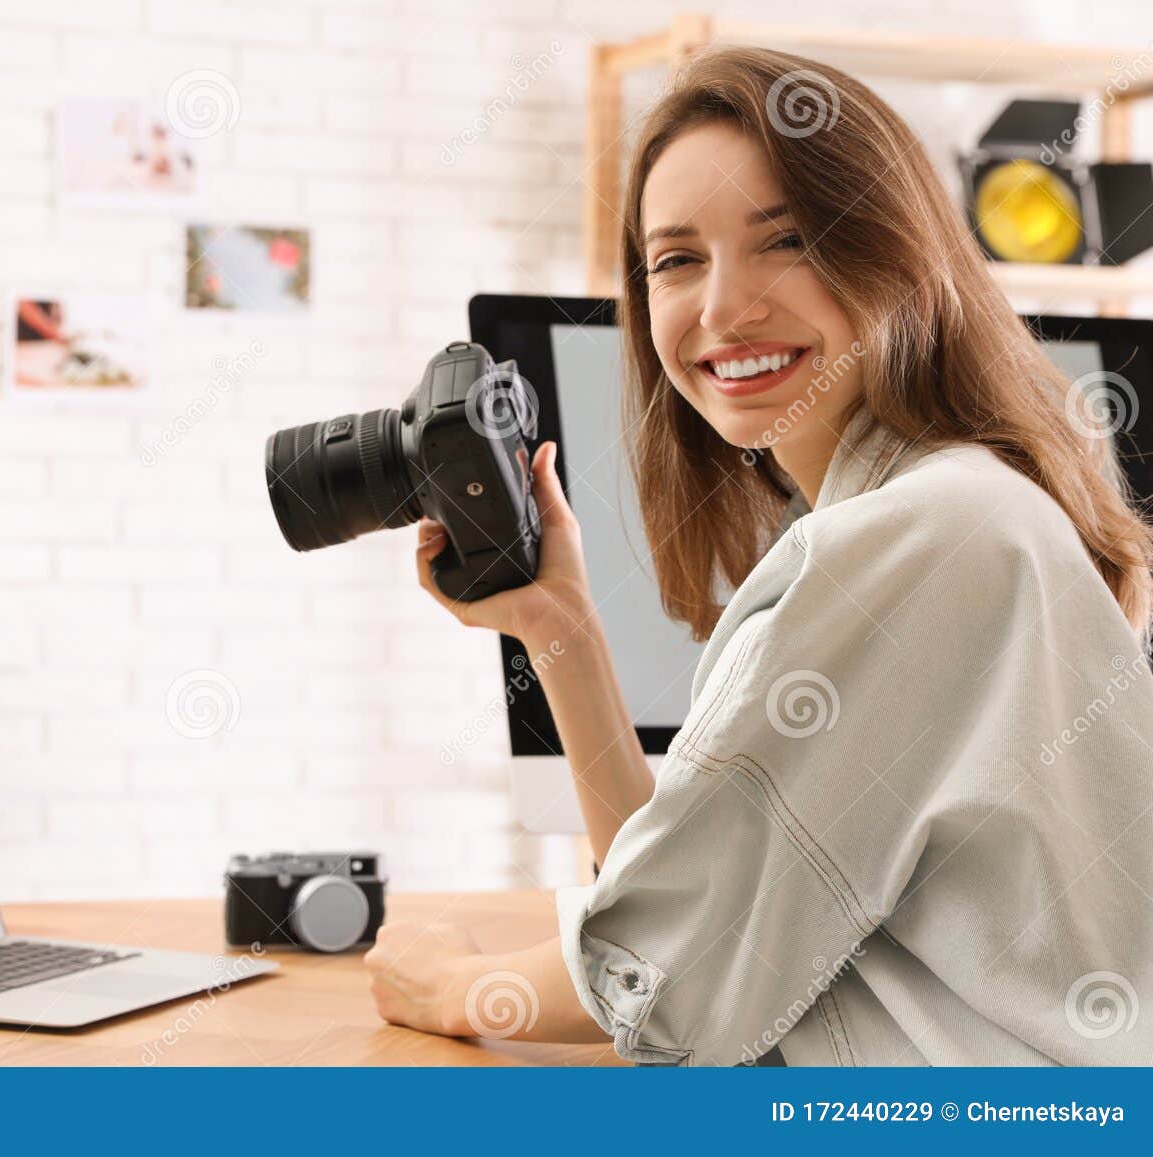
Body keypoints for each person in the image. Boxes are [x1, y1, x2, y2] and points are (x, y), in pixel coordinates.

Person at [363, 44, 1153, 1065]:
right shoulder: (953, 504)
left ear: (895, 255)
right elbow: (700, 896)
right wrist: (558, 626)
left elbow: (674, 975)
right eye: (676, 259)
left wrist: (454, 986)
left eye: (783, 241)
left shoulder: (922, 532)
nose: (724, 308)